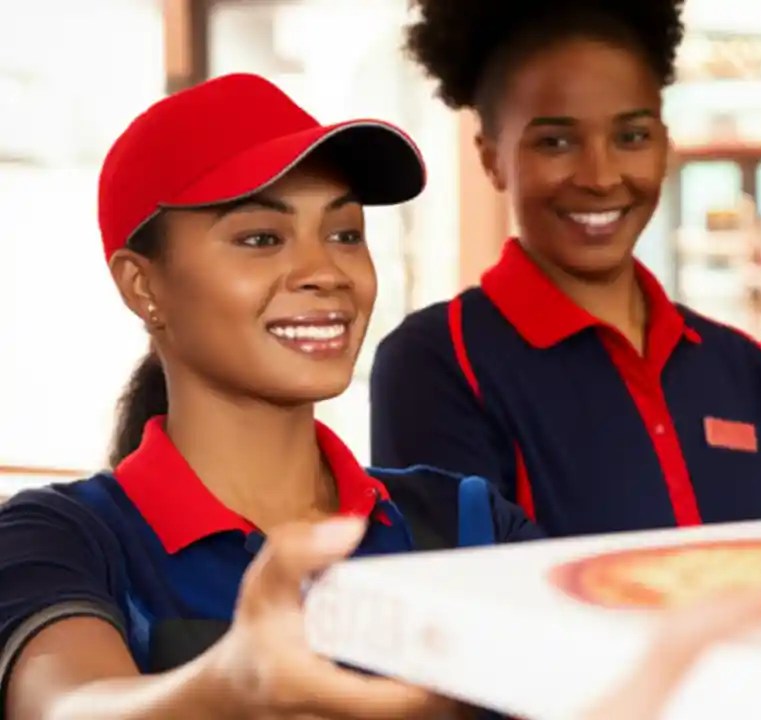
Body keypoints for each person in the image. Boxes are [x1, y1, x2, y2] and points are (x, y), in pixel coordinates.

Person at [0, 73, 543, 719]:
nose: (326, 272)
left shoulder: (469, 525)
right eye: (261, 239)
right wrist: (225, 687)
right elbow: (65, 704)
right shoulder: (60, 538)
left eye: (344, 234)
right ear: (143, 287)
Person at [371, 0, 761, 538]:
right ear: (491, 157)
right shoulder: (440, 362)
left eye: (631, 136)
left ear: (663, 142)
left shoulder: (738, 366)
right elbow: (459, 600)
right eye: (556, 142)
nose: (601, 176)